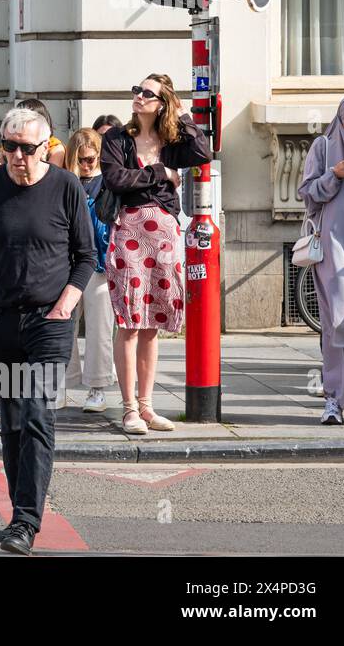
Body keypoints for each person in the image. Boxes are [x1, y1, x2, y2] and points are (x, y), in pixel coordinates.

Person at [0, 107, 97, 555]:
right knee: (13, 418)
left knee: (38, 412)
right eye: (10, 147)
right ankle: (21, 508)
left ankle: (25, 521)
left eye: (27, 148)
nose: (17, 156)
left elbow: (85, 255)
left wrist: (66, 305)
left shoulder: (65, 187)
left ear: (46, 146)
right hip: (1, 322)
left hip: (49, 323)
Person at [100, 75, 210, 435]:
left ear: (161, 102)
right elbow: (117, 179)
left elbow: (203, 151)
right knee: (130, 322)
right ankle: (129, 408)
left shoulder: (171, 139)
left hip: (164, 235)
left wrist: (180, 115)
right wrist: (161, 173)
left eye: (147, 93)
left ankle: (147, 407)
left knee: (151, 327)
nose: (138, 96)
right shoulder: (117, 139)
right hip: (129, 233)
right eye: (136, 90)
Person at [298, 96, 344, 424]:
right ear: (339, 120)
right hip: (335, 249)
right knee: (336, 323)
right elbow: (307, 194)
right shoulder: (323, 147)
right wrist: (335, 174)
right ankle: (335, 400)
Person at [64, 128, 116, 413]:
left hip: (98, 262)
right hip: (67, 264)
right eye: (81, 159)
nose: (86, 164)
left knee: (99, 328)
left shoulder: (107, 182)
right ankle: (64, 383)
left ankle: (97, 387)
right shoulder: (64, 181)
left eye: (91, 159)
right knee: (63, 326)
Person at [16, 98, 65, 167]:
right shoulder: (11, 144)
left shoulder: (55, 147)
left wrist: (41, 159)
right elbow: (1, 174)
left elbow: (53, 175)